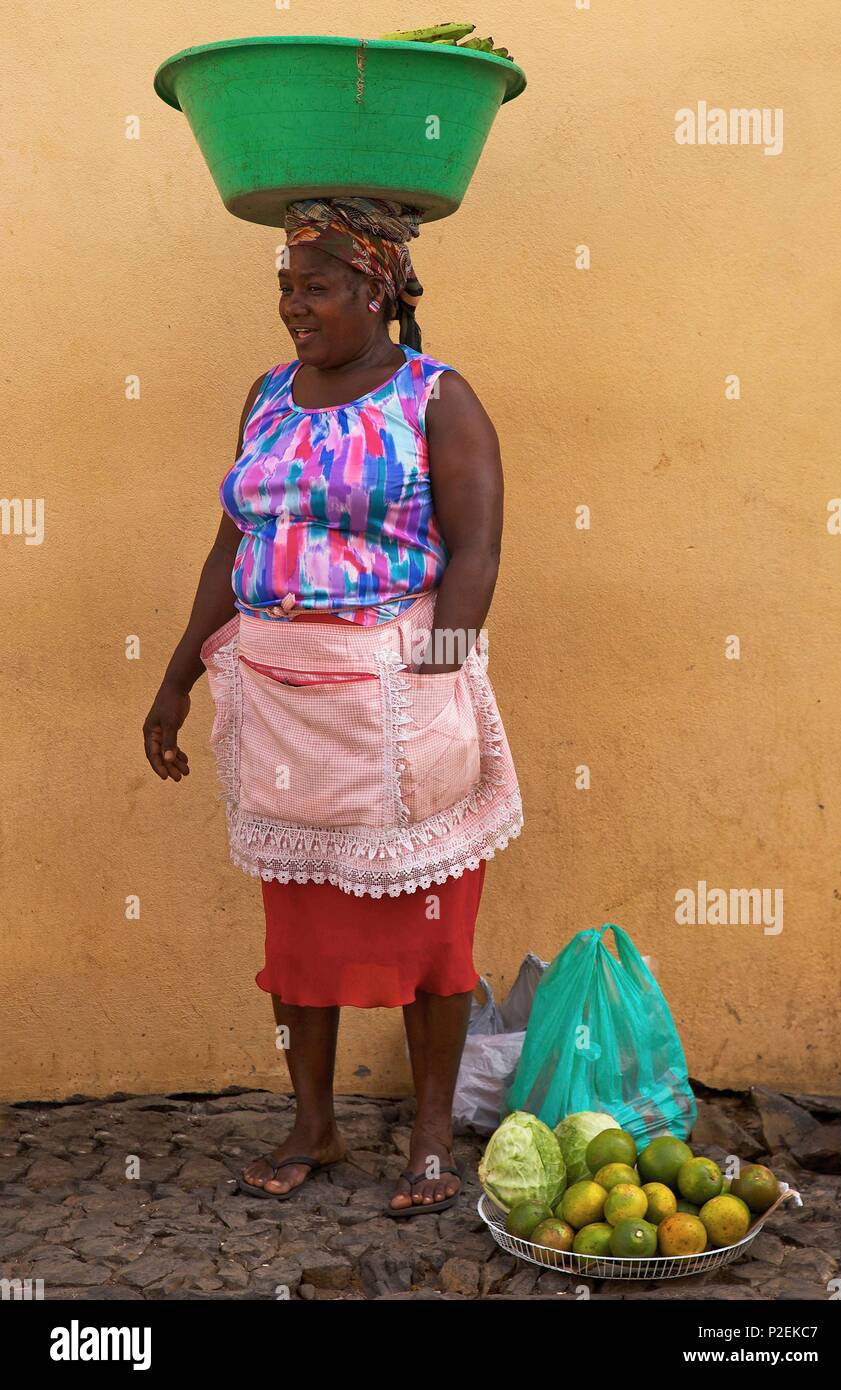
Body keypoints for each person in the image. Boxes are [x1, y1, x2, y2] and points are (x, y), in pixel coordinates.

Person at [143, 197, 523, 1217]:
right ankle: (312, 1120)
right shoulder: (266, 397)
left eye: (313, 287)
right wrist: (177, 675)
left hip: (401, 694)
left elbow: (477, 551)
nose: (291, 307)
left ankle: (432, 1137)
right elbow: (232, 547)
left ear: (375, 290)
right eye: (284, 286)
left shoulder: (435, 399)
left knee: (431, 933)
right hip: (279, 707)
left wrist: (434, 684)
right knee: (298, 936)